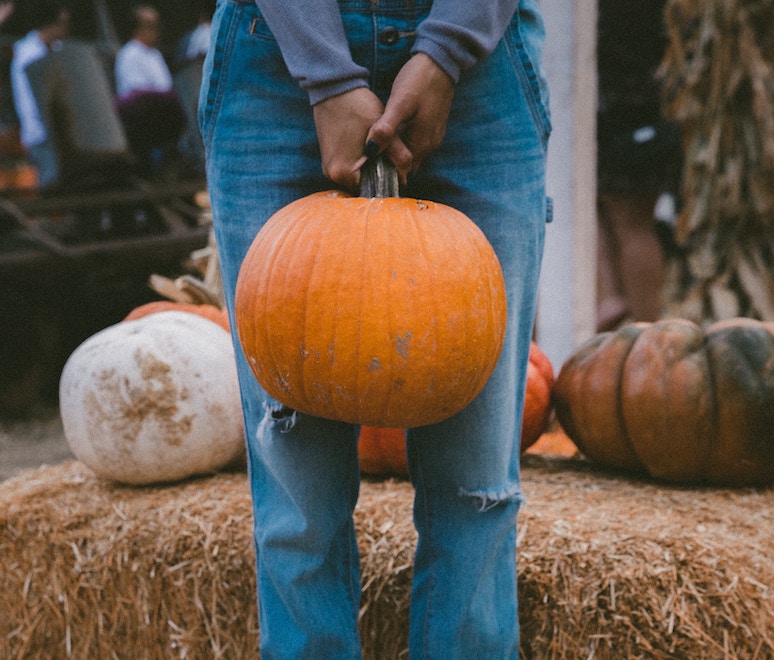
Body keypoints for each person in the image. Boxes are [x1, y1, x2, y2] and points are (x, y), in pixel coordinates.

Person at [199, 0, 551, 657]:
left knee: (477, 483)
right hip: (279, 46)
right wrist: (327, 76)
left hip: (480, 57)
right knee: (296, 492)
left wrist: (447, 48)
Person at [595, 0, 682, 331]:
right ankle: (615, 305)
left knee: (631, 219)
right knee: (607, 211)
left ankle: (646, 327)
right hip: (635, 103)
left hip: (627, 106)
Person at [114, 4, 185, 177]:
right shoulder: (130, 54)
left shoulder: (155, 55)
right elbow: (137, 98)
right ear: (138, 28)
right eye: (152, 26)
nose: (157, 31)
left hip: (165, 121)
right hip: (144, 126)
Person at [10, 0, 69, 188]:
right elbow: (29, 102)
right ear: (50, 24)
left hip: (64, 133)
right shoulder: (27, 54)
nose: (66, 30)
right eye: (62, 24)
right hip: (41, 133)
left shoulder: (58, 49)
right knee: (51, 183)